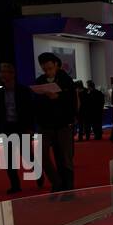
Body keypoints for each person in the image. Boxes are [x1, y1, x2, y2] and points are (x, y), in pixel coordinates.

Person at [34, 52, 77, 194]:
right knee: (42, 154)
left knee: (64, 156)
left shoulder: (66, 80)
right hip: (45, 125)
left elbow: (72, 101)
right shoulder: (40, 81)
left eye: (50, 68)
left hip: (63, 124)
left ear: (56, 65)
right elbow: (35, 102)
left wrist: (58, 97)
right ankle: (56, 182)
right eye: (44, 68)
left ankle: (68, 185)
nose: (47, 71)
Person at [0, 62, 37, 193]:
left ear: (12, 74)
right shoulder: (0, 93)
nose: (2, 74)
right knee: (9, 159)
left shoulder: (23, 91)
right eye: (1, 71)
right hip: (7, 128)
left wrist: (30, 128)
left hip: (22, 127)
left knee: (27, 156)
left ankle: (38, 173)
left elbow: (31, 110)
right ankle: (15, 185)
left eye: (5, 71)